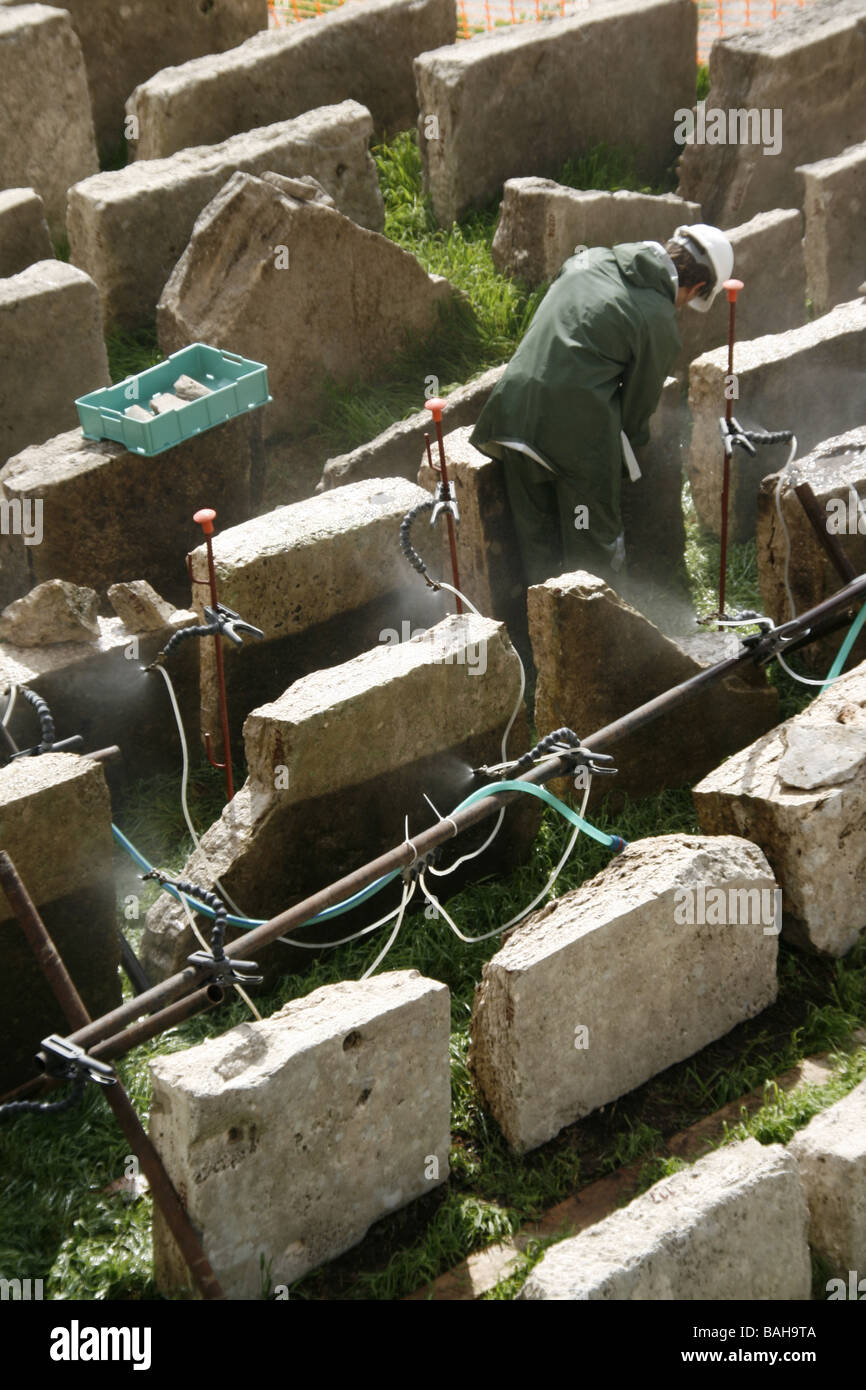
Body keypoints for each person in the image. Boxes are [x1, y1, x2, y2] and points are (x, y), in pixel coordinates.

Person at [469, 224, 735, 586]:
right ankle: (601, 634)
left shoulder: (590, 258)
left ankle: (542, 636)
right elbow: (636, 412)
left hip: (512, 412)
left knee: (537, 546)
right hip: (574, 436)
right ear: (698, 287)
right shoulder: (658, 319)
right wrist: (627, 461)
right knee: (594, 549)